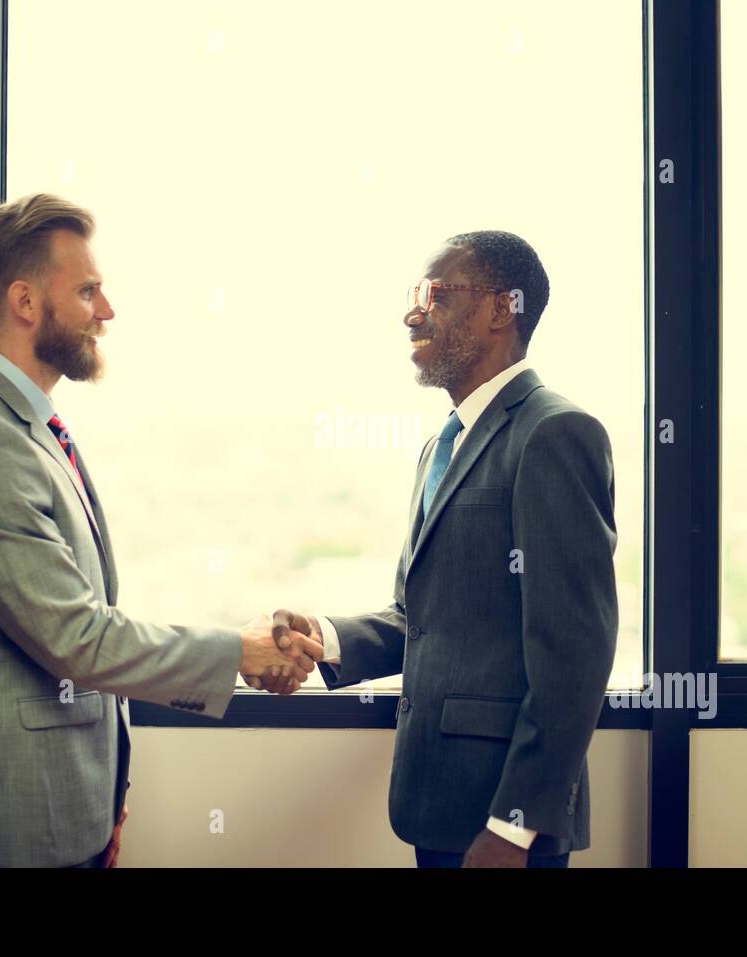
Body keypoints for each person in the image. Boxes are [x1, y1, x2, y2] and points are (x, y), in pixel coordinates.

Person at [0, 193, 320, 867]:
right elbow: (77, 638)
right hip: (14, 831)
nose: (107, 311)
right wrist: (238, 652)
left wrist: (101, 804)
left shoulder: (27, 429)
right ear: (26, 302)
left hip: (69, 813)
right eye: (89, 291)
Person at [262, 231, 618, 867]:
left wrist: (514, 827)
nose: (412, 312)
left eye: (435, 294)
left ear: (499, 309)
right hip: (441, 805)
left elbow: (575, 655)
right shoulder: (442, 448)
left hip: (505, 825)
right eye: (414, 296)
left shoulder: (554, 433)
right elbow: (420, 617)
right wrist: (325, 636)